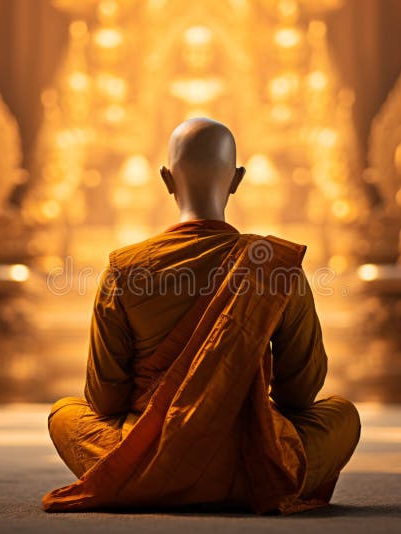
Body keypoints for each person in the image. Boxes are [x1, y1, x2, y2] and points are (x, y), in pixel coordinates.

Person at [44, 118, 360, 514]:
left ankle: (148, 483)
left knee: (64, 413)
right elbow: (300, 393)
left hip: (149, 463)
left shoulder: (124, 270)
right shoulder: (275, 268)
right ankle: (242, 479)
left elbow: (105, 399)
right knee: (343, 414)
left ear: (165, 179)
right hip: (254, 463)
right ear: (238, 180)